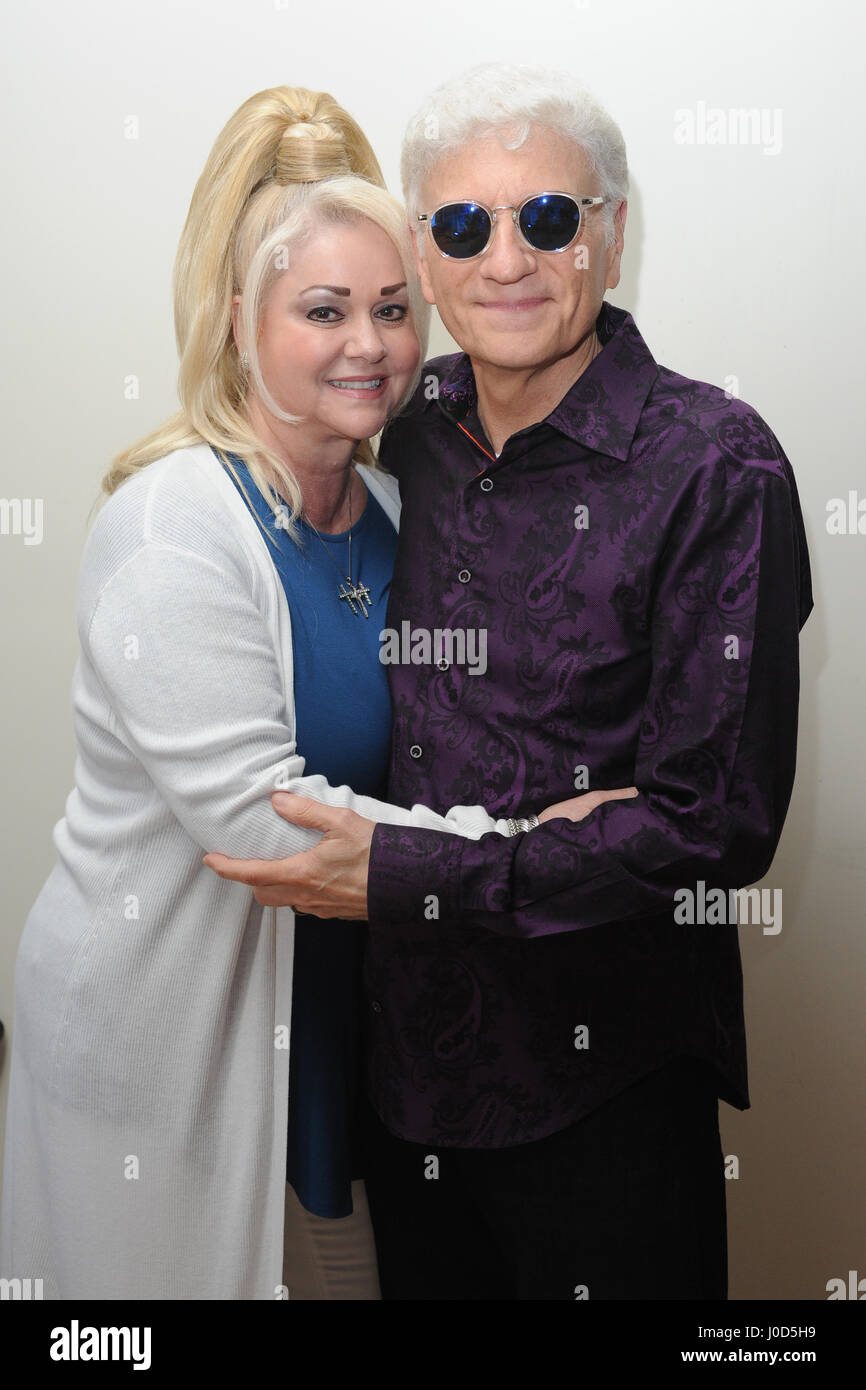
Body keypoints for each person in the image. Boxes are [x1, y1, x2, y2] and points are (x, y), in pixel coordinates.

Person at [0, 83, 630, 1301]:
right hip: (167, 1030)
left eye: (393, 311)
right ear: (241, 323)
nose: (369, 346)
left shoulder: (400, 509)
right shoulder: (173, 527)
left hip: (337, 1018)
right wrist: (519, 845)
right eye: (324, 312)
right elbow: (261, 826)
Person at [206, 63, 814, 1300]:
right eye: (461, 226)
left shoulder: (716, 469)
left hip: (600, 1092)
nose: (505, 261)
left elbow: (713, 821)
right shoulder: (404, 428)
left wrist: (416, 869)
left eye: (547, 218)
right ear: (423, 263)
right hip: (403, 1080)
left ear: (610, 234)